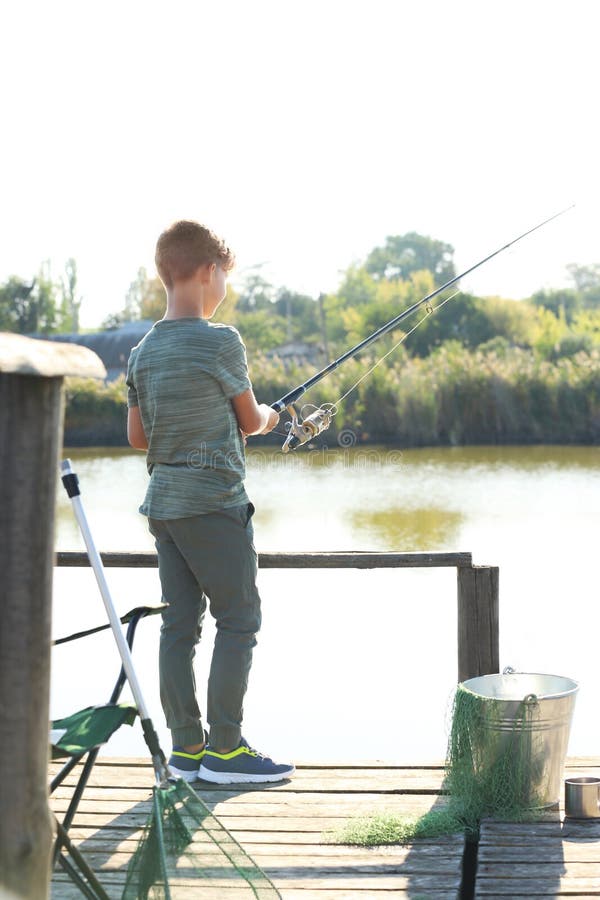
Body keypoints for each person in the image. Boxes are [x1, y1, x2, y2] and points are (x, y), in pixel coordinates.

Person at [126, 220, 295, 784]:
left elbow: (138, 438)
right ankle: (226, 750)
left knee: (179, 627)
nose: (224, 287)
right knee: (239, 620)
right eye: (224, 275)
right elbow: (252, 420)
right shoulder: (222, 340)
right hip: (215, 504)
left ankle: (186, 750)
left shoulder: (142, 351)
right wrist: (276, 415)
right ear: (208, 271)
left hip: (165, 508)